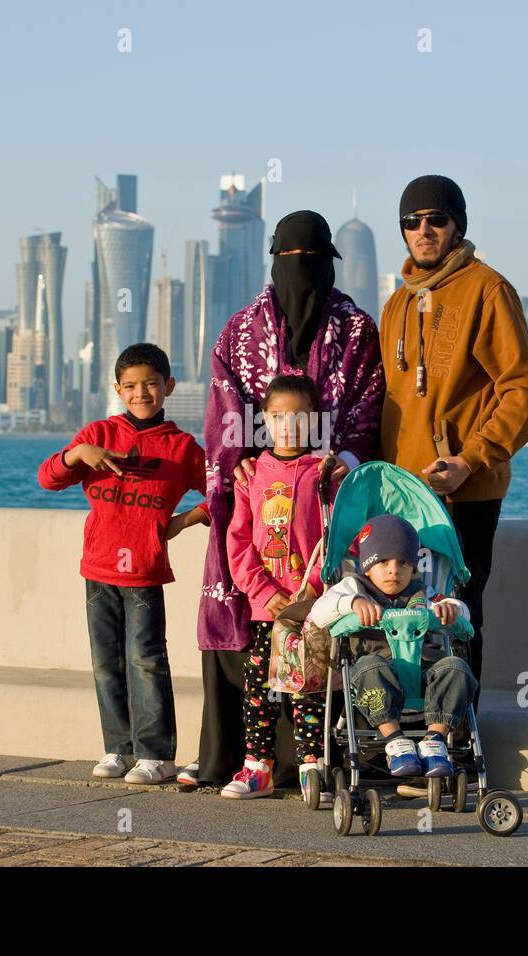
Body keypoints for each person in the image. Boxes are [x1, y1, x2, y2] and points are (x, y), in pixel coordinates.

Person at [186, 209, 384, 788]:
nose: (303, 273)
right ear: (273, 262)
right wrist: (240, 459)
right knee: (250, 645)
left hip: (329, 504)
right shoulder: (241, 328)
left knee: (326, 632)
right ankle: (245, 760)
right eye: (292, 262)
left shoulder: (355, 328)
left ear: (330, 264)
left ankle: (321, 761)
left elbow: (370, 405)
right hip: (258, 497)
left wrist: (343, 461)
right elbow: (224, 403)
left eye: (313, 263)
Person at [378, 175, 528, 687]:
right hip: (402, 492)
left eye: (436, 220)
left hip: (464, 490)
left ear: (458, 225)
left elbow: (522, 388)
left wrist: (470, 460)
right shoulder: (397, 304)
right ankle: (409, 741)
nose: (424, 230)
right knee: (399, 616)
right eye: (412, 222)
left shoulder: (488, 290)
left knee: (458, 615)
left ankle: (463, 739)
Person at [37, 343, 208, 785]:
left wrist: (182, 521)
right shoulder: (97, 435)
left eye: (151, 383)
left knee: (147, 660)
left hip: (145, 571)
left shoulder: (182, 447)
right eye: (130, 386)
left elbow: (223, 495)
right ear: (118, 389)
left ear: (168, 386)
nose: (141, 393)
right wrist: (79, 455)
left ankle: (157, 754)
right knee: (105, 663)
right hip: (97, 570)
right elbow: (47, 478)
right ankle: (118, 747)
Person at [221, 375, 338, 800]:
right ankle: (258, 767)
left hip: (312, 607)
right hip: (264, 608)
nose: (289, 425)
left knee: (309, 686)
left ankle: (313, 766)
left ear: (315, 420)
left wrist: (311, 591)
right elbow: (237, 540)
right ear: (264, 420)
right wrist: (265, 593)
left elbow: (335, 538)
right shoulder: (251, 474)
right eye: (278, 416)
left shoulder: (324, 473)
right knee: (260, 686)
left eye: (299, 416)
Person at [307, 514, 475, 777]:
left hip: (423, 674)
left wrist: (450, 610)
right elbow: (318, 612)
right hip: (377, 675)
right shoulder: (353, 587)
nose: (393, 570)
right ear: (366, 566)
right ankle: (395, 740)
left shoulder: (424, 594)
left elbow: (462, 611)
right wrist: (350, 604)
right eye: (383, 562)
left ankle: (435, 740)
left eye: (403, 563)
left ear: (413, 567)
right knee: (367, 667)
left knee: (457, 667)